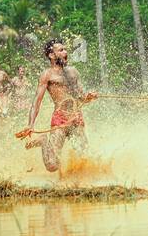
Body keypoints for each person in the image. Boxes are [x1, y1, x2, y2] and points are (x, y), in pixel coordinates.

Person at [17, 39, 98, 173]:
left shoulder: (73, 72)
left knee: (85, 158)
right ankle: (43, 141)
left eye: (65, 49)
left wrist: (89, 97)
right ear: (52, 55)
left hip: (76, 118)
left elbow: (81, 97)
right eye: (61, 50)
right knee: (52, 165)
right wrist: (30, 125)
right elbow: (36, 102)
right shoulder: (47, 75)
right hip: (60, 119)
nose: (65, 52)